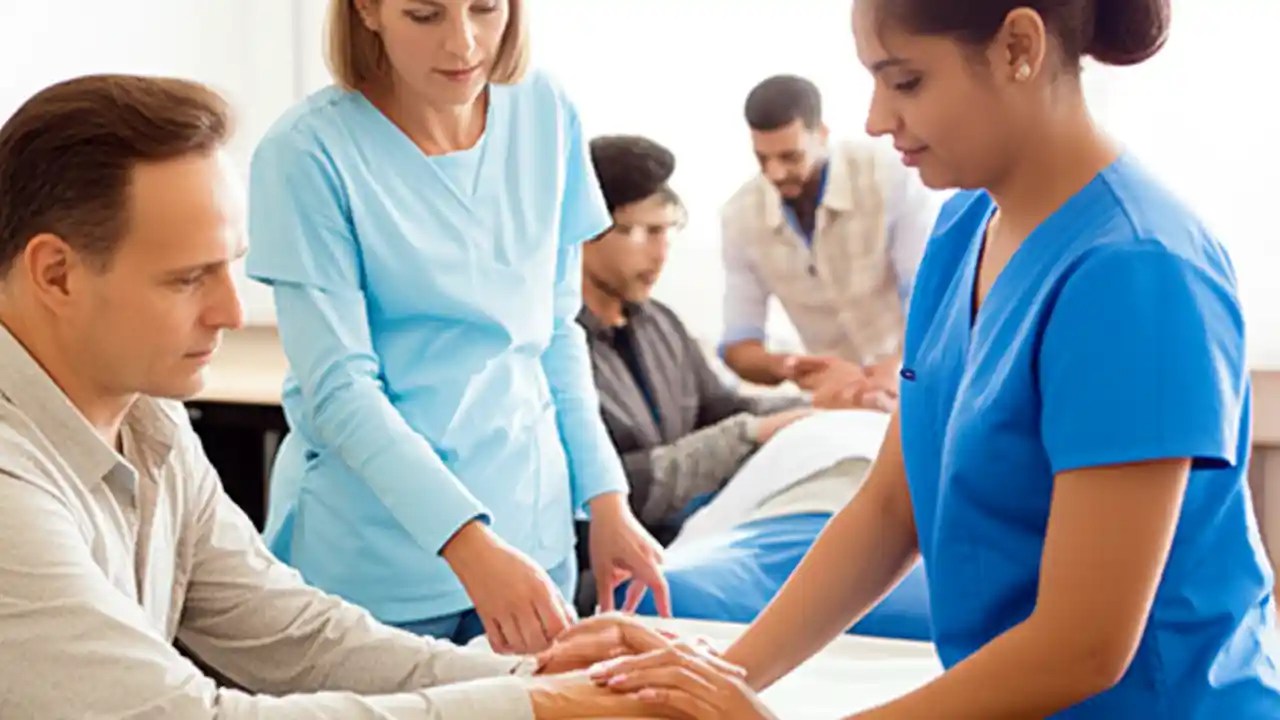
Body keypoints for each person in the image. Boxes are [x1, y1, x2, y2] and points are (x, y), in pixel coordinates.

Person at [590, 1, 1280, 717]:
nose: (875, 119)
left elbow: (1084, 645)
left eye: (906, 82)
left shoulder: (1138, 270)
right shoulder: (965, 228)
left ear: (1018, 47)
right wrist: (717, 678)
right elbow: (893, 506)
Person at [0, 73, 681, 720]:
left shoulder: (150, 417)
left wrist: (531, 679)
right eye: (188, 279)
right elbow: (184, 714)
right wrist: (541, 705)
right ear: (56, 274)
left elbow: (290, 632)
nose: (233, 312)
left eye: (230, 267)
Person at [245, 0, 667, 655]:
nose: (463, 43)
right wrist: (471, 548)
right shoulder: (305, 154)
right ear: (368, 10)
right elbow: (340, 391)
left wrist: (607, 499)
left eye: (484, 8)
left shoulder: (544, 110)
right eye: (425, 15)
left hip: (532, 541)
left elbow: (555, 332)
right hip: (377, 564)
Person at [579, 133, 814, 547]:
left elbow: (723, 408)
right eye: (647, 232)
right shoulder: (552, 347)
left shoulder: (659, 323)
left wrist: (820, 407)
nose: (662, 253)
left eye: (668, 231)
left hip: (693, 539)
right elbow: (615, 488)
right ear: (586, 229)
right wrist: (750, 433)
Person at [718, 73, 941, 408]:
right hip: (838, 401)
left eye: (789, 156)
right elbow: (739, 344)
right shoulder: (739, 217)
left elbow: (931, 298)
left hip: (922, 379)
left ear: (821, 135)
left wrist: (896, 369)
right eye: (762, 159)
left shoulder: (890, 176)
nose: (775, 173)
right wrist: (789, 367)